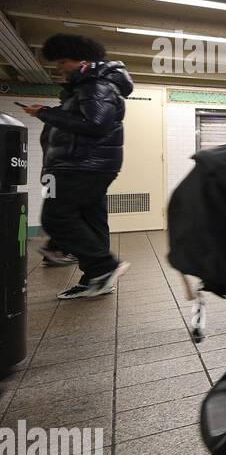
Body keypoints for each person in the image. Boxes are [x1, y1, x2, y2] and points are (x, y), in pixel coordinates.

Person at [22, 35, 132, 299]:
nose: (59, 67)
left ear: (83, 60)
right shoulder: (86, 86)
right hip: (84, 164)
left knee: (55, 216)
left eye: (63, 61)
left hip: (83, 165)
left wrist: (45, 114)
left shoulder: (96, 85)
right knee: (92, 221)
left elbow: (95, 125)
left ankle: (104, 268)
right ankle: (96, 278)